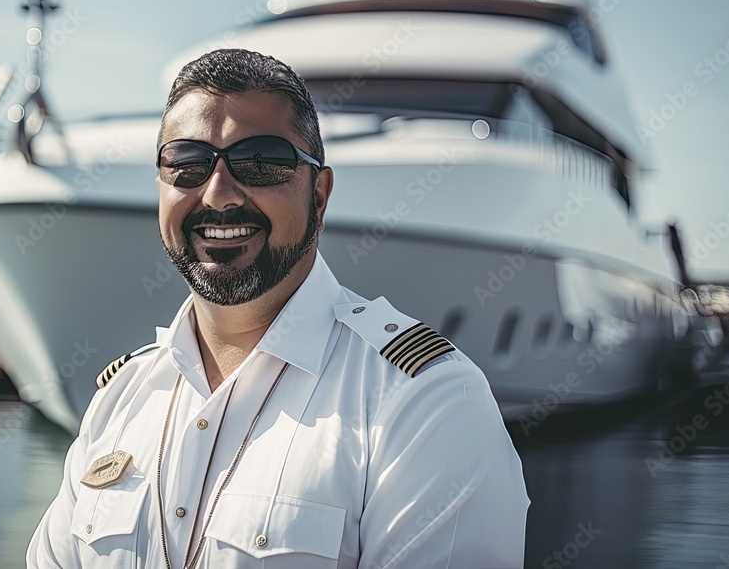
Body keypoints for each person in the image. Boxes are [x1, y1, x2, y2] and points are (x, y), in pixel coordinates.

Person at [27, 48, 530, 568]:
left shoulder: (424, 402)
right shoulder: (120, 397)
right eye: (187, 164)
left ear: (320, 193)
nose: (218, 195)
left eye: (261, 162)